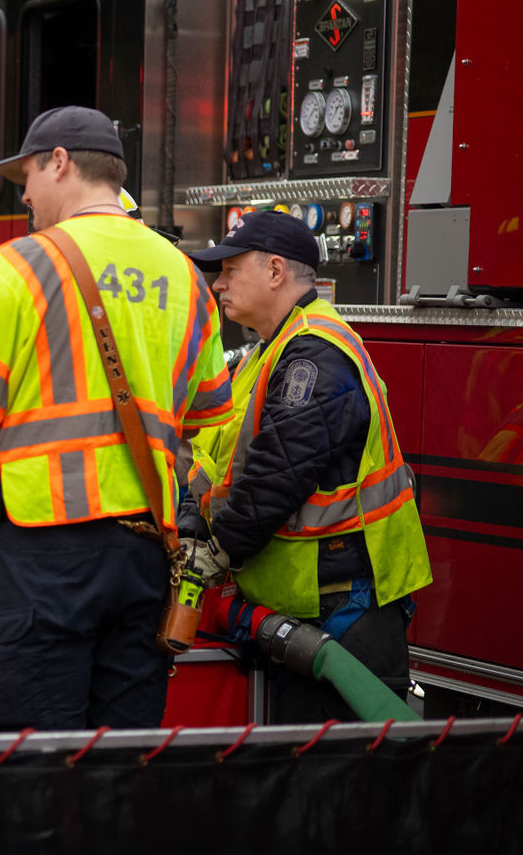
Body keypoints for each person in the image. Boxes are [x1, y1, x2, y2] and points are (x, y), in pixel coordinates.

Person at [0, 105, 234, 730]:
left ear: (59, 164)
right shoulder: (187, 275)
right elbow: (202, 415)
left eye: (27, 175)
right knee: (119, 762)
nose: (26, 194)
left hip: (45, 551)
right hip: (146, 555)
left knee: (34, 760)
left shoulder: (20, 266)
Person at [183, 209, 433, 722]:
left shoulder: (314, 357)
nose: (219, 284)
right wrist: (192, 524)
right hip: (304, 613)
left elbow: (274, 479)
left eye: (231, 270)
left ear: (275, 271)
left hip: (343, 614)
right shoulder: (266, 354)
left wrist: (218, 548)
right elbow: (214, 458)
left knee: (338, 785)